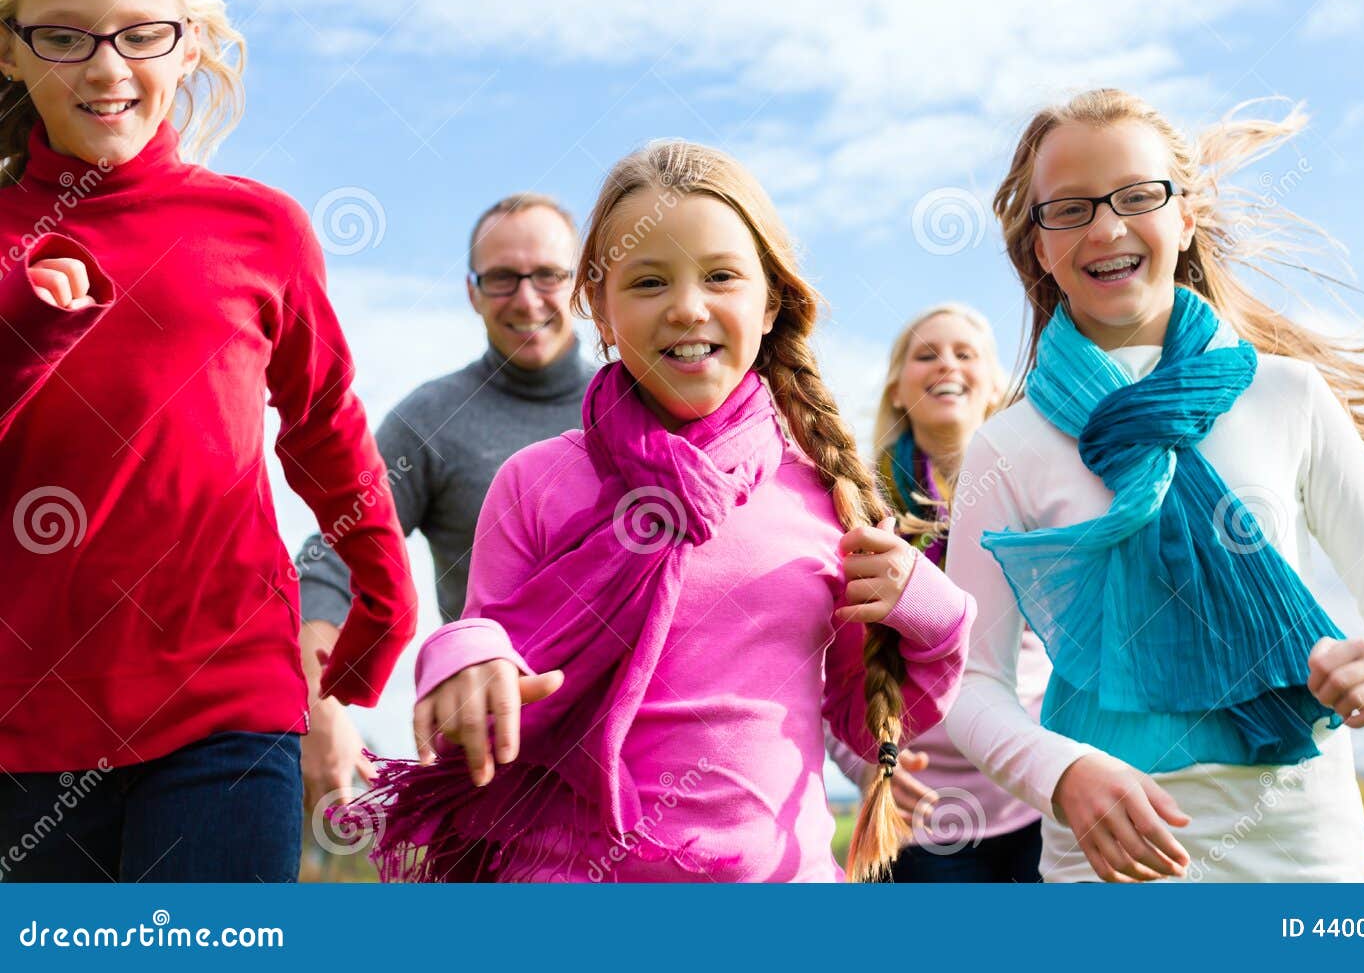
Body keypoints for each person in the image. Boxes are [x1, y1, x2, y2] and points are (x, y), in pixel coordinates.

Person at [336, 140, 974, 881]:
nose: (687, 306)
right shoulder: (534, 482)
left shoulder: (828, 499)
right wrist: (459, 657)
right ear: (600, 313)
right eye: (647, 280)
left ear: (770, 303)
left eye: (721, 276)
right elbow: (488, 654)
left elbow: (866, 722)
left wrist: (936, 614)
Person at [0, 0, 415, 882]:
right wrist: (24, 326)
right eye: (64, 36)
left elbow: (321, 421)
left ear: (188, 45)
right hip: (24, 726)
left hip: (225, 696)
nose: (107, 68)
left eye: (141, 34)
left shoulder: (258, 228)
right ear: (10, 49)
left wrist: (382, 576)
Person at [944, 88, 1364, 882]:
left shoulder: (1289, 396)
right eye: (1070, 209)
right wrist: (1063, 774)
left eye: (1137, 197)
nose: (1107, 228)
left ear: (1185, 217)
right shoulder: (1006, 448)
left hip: (1300, 849)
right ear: (1038, 246)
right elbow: (970, 681)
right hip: (1105, 864)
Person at [295, 192, 593, 813]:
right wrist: (321, 708)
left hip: (643, 748)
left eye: (548, 275)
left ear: (582, 281)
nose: (528, 298)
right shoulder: (431, 420)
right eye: (503, 278)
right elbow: (335, 561)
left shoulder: (645, 405)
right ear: (472, 291)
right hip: (494, 764)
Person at [826, 303, 1052, 881]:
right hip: (919, 814)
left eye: (965, 352)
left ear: (996, 385)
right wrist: (864, 764)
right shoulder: (856, 509)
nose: (945, 363)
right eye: (925, 353)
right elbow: (825, 664)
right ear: (898, 390)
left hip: (1039, 798)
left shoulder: (1042, 498)